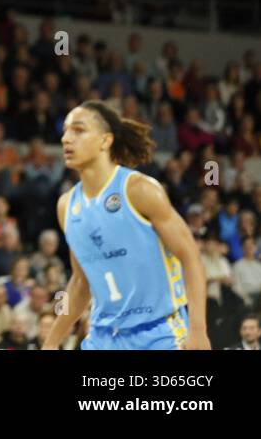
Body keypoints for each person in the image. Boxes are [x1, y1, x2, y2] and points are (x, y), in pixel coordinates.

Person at [44, 100, 209, 350]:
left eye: (78, 130)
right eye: (65, 131)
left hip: (159, 333)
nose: (67, 138)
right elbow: (80, 283)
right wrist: (51, 342)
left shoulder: (139, 190)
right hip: (103, 337)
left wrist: (198, 330)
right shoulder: (66, 206)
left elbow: (191, 257)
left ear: (105, 140)